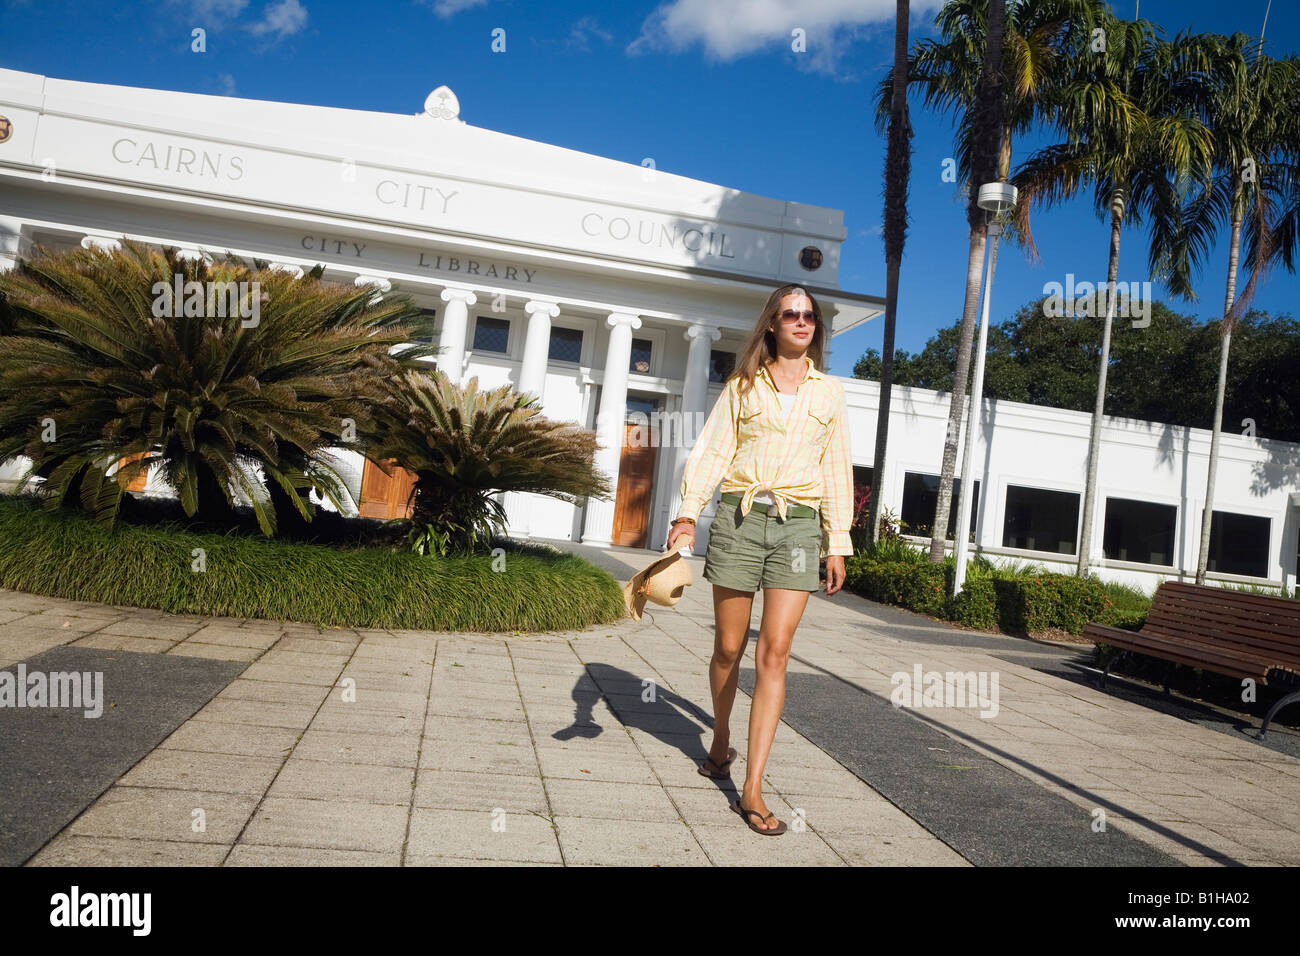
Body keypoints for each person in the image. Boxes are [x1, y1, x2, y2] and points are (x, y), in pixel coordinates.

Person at [667, 283, 854, 836]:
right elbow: (714, 451)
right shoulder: (743, 386)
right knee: (729, 646)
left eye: (809, 315)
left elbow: (837, 467)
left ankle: (752, 786)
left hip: (798, 525)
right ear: (772, 324)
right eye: (790, 314)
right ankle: (721, 737)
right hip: (740, 518)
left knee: (774, 651)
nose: (801, 321)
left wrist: (836, 540)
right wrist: (686, 513)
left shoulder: (830, 394)